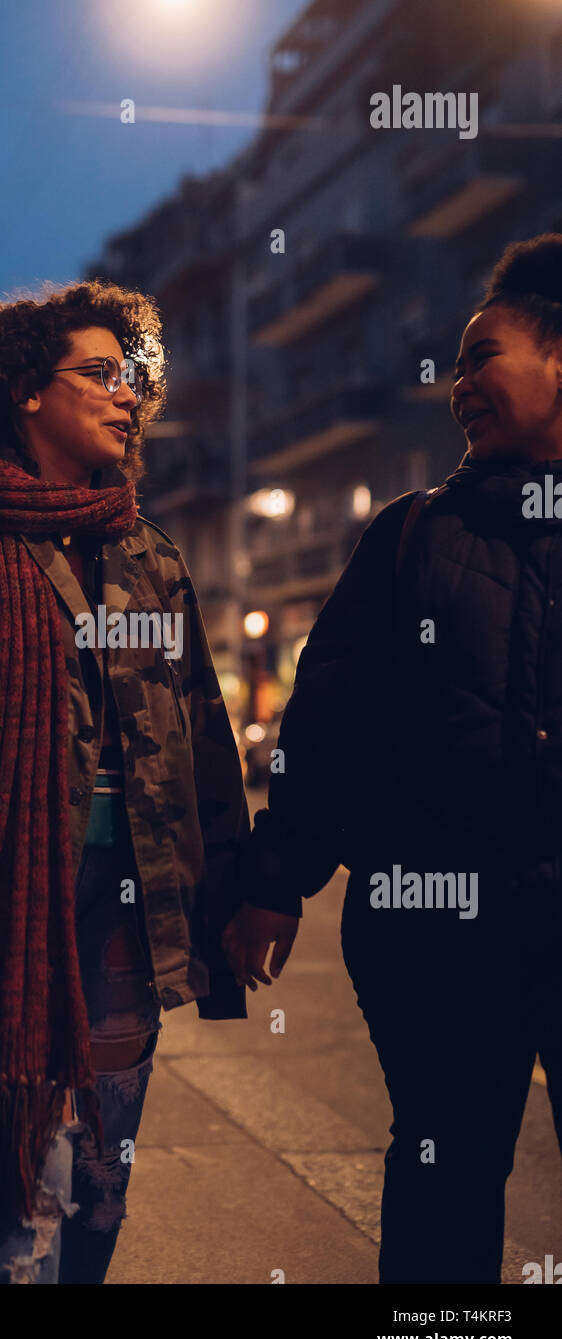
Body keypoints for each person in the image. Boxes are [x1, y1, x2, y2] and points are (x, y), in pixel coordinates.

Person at [0, 280, 249, 1284]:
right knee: (12, 1203)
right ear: (27, 389)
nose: (128, 396)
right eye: (101, 374)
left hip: (129, 917)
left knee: (98, 1190)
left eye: (135, 379)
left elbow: (202, 737)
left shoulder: (145, 555)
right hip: (16, 917)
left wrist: (236, 895)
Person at [226, 233, 562, 1284]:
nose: (458, 384)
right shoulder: (411, 536)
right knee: (444, 1176)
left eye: (482, 355)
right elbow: (325, 722)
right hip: (437, 933)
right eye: (455, 365)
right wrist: (273, 881)